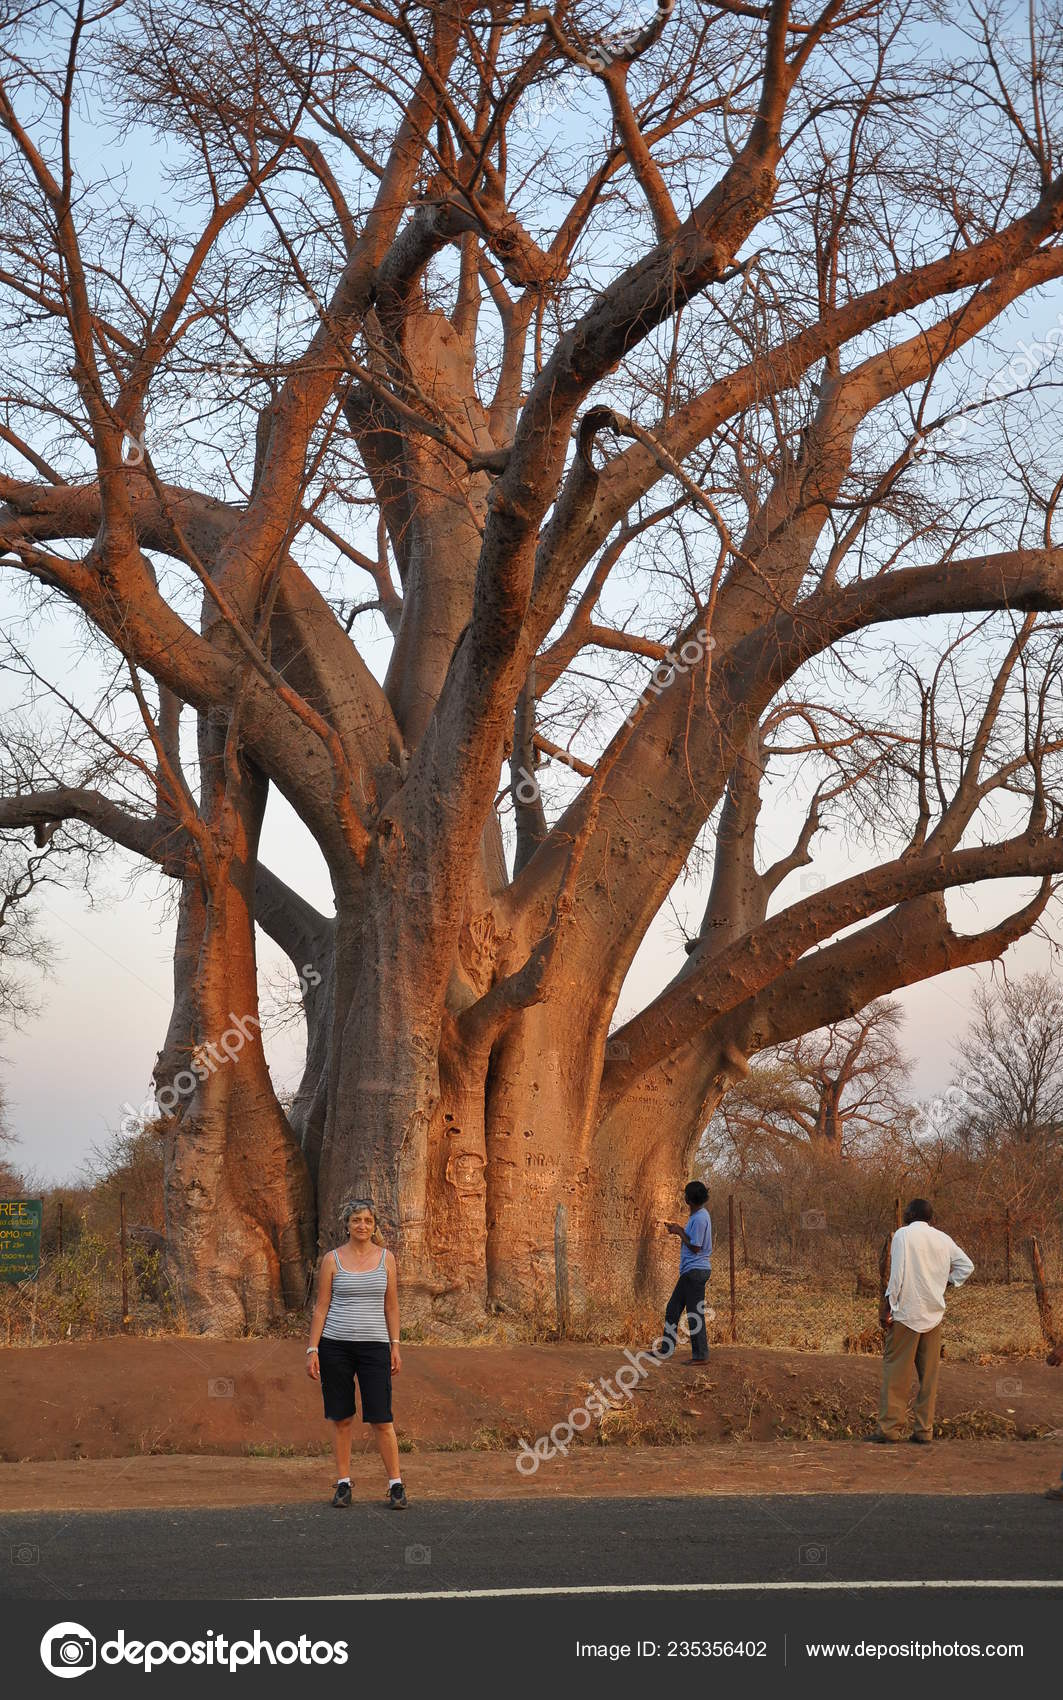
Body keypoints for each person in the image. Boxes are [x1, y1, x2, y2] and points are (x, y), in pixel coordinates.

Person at [306, 1197, 408, 1508]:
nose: (361, 1226)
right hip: (335, 1346)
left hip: (375, 1347)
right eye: (356, 1221)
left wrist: (395, 1346)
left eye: (367, 1221)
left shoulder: (386, 1259)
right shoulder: (332, 1260)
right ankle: (343, 1483)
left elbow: (391, 1306)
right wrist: (313, 1349)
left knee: (381, 1418)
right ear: (347, 1225)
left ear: (374, 1226)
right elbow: (321, 1307)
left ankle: (396, 1484)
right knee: (342, 1417)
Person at [868, 1198, 973, 1445]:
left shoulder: (903, 1235)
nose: (904, 1213)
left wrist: (888, 1305)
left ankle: (889, 1430)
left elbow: (898, 1273)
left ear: (912, 1214)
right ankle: (924, 1430)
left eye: (907, 1210)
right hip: (933, 1316)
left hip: (906, 1314)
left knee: (896, 1373)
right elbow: (966, 1267)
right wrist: (946, 1283)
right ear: (930, 1218)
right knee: (929, 1377)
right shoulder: (943, 1239)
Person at [662, 1181, 713, 1364]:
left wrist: (678, 1232)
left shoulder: (699, 1218)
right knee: (673, 1309)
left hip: (695, 1270)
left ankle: (700, 1356)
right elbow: (692, 1239)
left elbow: (696, 1247)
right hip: (692, 1271)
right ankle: (666, 1349)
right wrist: (680, 1229)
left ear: (689, 1199)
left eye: (686, 1195)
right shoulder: (699, 1214)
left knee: (693, 1314)